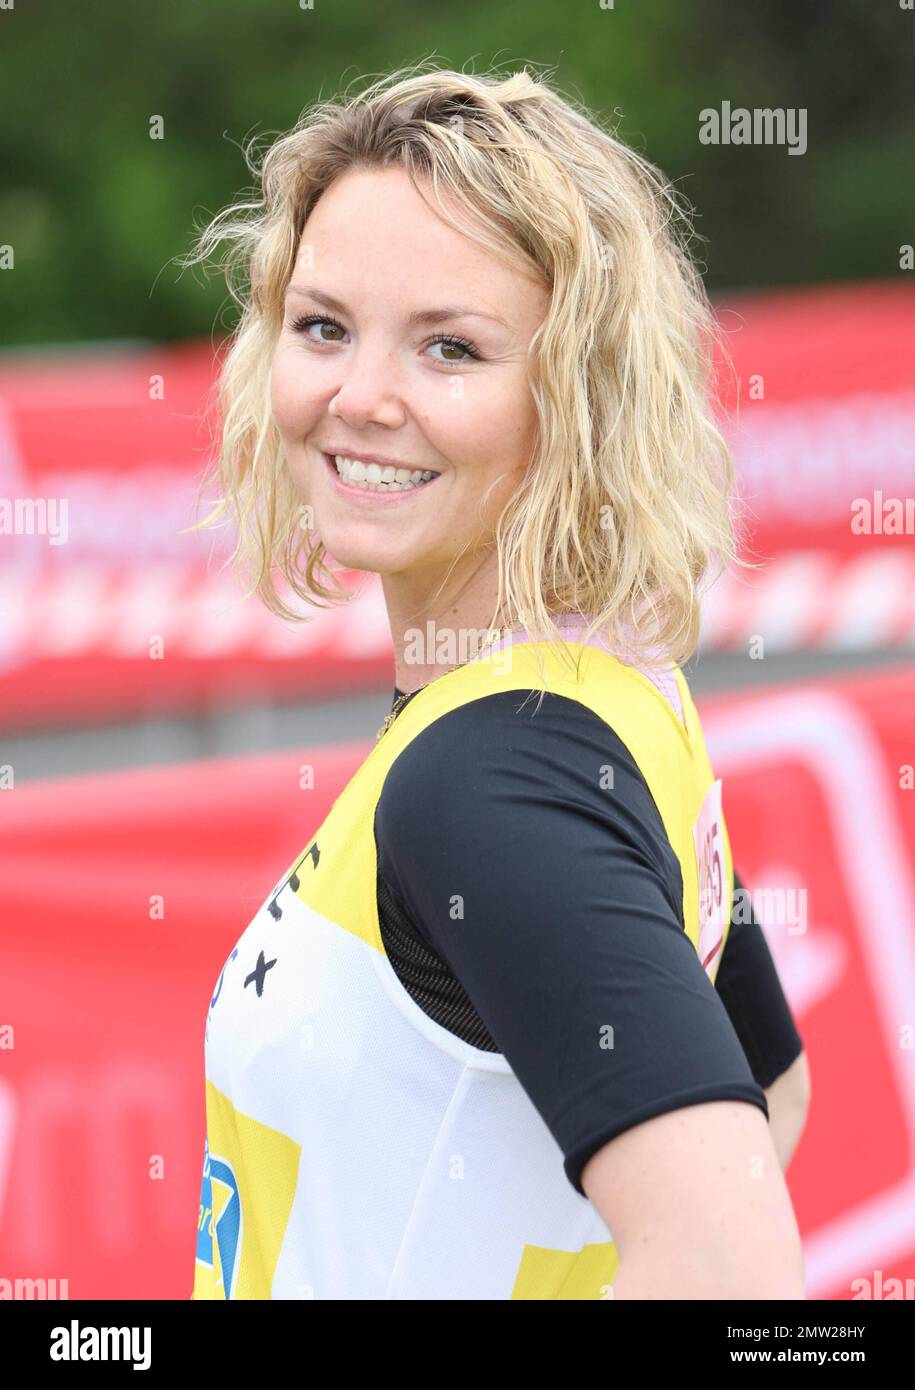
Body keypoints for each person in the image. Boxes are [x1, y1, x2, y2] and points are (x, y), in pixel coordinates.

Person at [183, 61, 808, 1300]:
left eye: (450, 348)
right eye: (324, 326)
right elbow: (772, 1092)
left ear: (575, 398)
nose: (361, 398)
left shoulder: (488, 778)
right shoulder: (618, 687)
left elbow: (732, 1266)